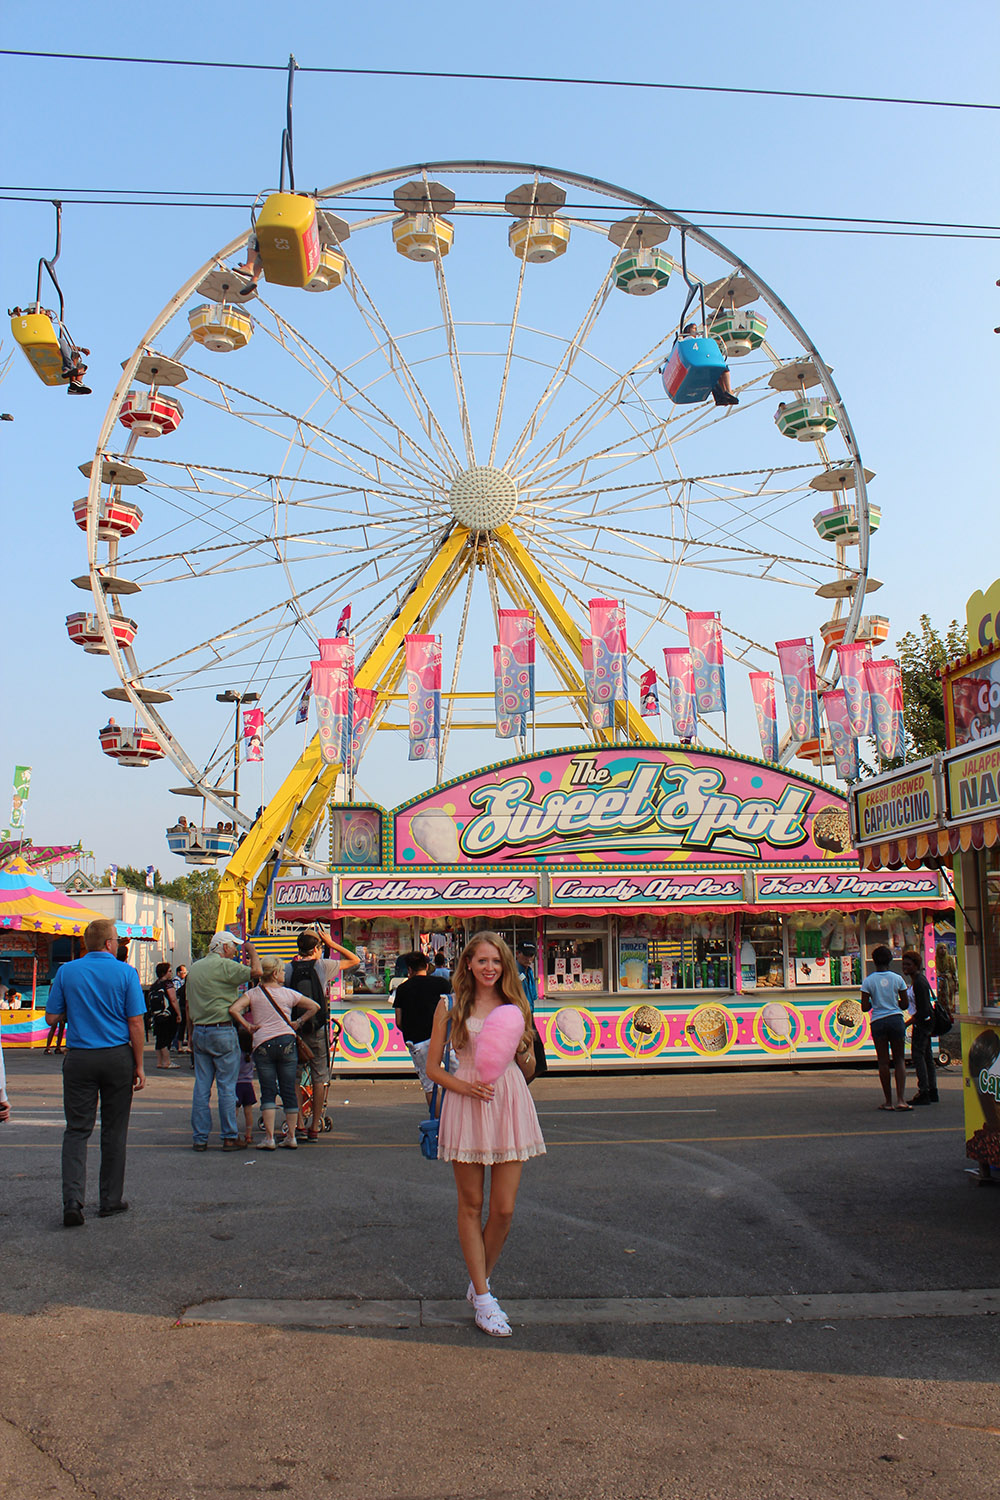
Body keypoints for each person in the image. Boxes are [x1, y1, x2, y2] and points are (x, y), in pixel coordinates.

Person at [425, 932, 545, 1338]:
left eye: (496, 961)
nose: (489, 967)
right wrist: (466, 1087)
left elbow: (528, 1069)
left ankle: (480, 1286)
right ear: (468, 965)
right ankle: (484, 1296)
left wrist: (522, 1048)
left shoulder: (515, 1003)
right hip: (467, 1099)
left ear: (504, 964)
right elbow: (434, 1069)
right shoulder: (451, 1006)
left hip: (509, 1099)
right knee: (472, 1203)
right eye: (481, 961)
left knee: (505, 1208)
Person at [44, 918, 146, 1226]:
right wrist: (139, 1065)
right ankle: (109, 1201)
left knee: (76, 1130)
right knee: (114, 1131)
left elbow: (51, 1018)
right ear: (109, 944)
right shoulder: (126, 973)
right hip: (117, 1057)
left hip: (80, 1058)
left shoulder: (67, 971)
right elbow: (136, 1023)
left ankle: (73, 1202)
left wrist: (76, 1009)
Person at [230, 955, 318, 1151]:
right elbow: (315, 1006)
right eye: (283, 972)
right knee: (289, 1090)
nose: (284, 974)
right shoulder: (289, 994)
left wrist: (248, 1025)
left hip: (262, 1044)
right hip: (287, 1042)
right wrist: (299, 1022)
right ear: (276, 973)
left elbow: (234, 1009)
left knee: (268, 1091)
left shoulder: (254, 993)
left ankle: (269, 1138)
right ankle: (292, 1136)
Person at [185, 931, 261, 1151]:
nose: (236, 951)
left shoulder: (195, 968)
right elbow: (256, 972)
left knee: (201, 1087)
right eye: (234, 947)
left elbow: (189, 1005)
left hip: (200, 1030)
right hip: (222, 1029)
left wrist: (190, 1035)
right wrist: (252, 950)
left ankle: (200, 1138)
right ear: (224, 947)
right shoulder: (226, 967)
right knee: (227, 1087)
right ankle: (229, 1136)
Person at [284, 927, 359, 1142]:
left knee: (295, 1077)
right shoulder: (323, 966)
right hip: (318, 1028)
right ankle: (315, 1125)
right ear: (317, 948)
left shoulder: (289, 969)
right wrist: (333, 944)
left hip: (295, 1029)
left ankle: (299, 1122)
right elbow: (354, 960)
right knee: (319, 1077)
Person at [393, 951, 451, 1110]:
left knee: (430, 1085)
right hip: (445, 1037)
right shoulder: (442, 984)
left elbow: (399, 1021)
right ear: (426, 966)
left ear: (409, 969)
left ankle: (438, 1126)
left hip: (418, 1041)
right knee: (458, 1078)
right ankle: (457, 1120)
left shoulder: (402, 989)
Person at [860, 945, 911, 1112]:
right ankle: (901, 1100)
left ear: (874, 961)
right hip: (896, 1020)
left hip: (878, 1022)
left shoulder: (869, 981)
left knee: (883, 1061)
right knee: (899, 1060)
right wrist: (893, 1003)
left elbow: (864, 1007)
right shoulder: (898, 979)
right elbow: (905, 1004)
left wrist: (877, 1002)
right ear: (890, 960)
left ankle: (888, 1101)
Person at [902, 949, 938, 1105]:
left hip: (923, 1023)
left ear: (916, 965)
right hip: (926, 1022)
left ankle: (924, 1091)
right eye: (904, 964)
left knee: (918, 1056)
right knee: (927, 1056)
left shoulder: (919, 983)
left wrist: (907, 1023)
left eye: (908, 964)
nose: (905, 967)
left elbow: (923, 1010)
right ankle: (932, 1091)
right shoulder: (918, 980)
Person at [682, 320, 738, 406]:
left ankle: (723, 395)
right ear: (688, 330)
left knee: (716, 375)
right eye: (694, 328)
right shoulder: (689, 339)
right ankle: (728, 390)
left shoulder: (691, 341)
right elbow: (702, 346)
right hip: (699, 362)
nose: (696, 330)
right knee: (724, 369)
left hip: (699, 363)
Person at [516, 941, 548, 1078]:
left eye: (532, 955)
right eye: (526, 955)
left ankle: (520, 1087)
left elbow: (533, 995)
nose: (529, 958)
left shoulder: (528, 971)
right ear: (518, 954)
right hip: (520, 1018)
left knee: (538, 1061)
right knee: (533, 1059)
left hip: (529, 1016)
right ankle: (519, 1087)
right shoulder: (514, 972)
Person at [147, 962, 181, 1070]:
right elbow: (173, 999)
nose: (171, 973)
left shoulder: (154, 985)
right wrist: (179, 1013)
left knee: (159, 1038)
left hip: (157, 1015)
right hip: (168, 1014)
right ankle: (167, 1061)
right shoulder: (168, 984)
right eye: (170, 971)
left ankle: (159, 1061)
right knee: (166, 1038)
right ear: (165, 972)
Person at [235, 1028, 258, 1146]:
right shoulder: (251, 1053)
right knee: (248, 1111)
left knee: (235, 1110)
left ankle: (233, 1132)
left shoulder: (237, 1053)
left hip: (237, 1084)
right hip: (248, 1084)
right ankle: (248, 1134)